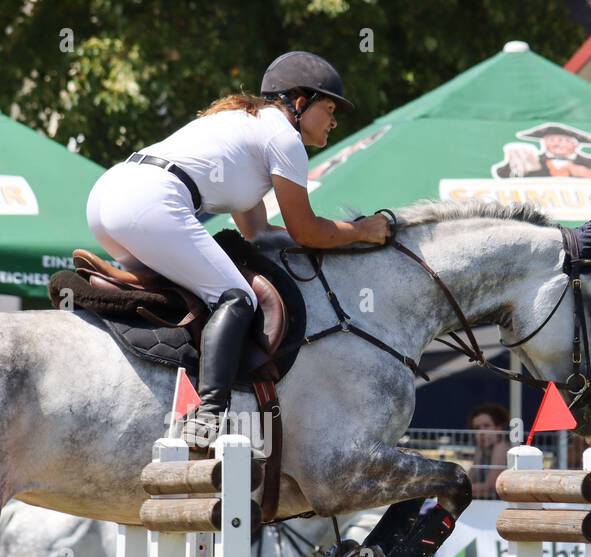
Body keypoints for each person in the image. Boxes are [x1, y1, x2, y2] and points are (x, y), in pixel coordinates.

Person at [85, 51, 392, 450]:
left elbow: (261, 233)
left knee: (190, 293)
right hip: (151, 203)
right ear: (299, 102)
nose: (333, 121)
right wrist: (362, 231)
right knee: (235, 296)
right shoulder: (284, 137)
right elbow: (306, 228)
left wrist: (334, 238)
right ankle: (210, 414)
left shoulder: (247, 128)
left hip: (110, 197)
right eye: (329, 107)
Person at [466, 403, 510, 498]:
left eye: (486, 426)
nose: (481, 432)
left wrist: (460, 488)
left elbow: (490, 486)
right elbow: (469, 478)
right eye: (477, 428)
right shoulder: (480, 449)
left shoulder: (501, 447)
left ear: (498, 429)